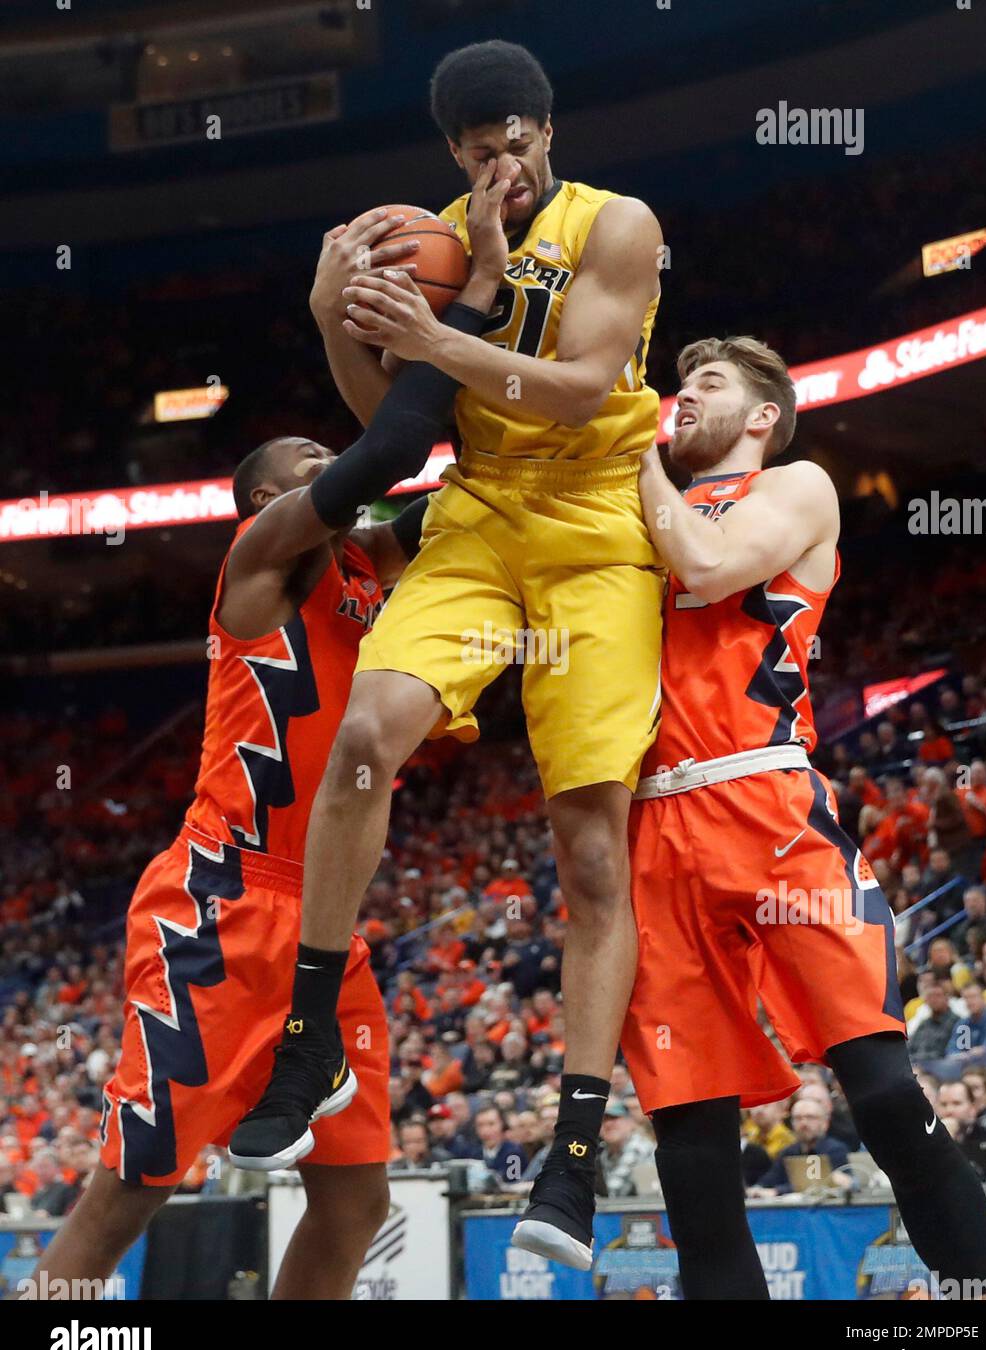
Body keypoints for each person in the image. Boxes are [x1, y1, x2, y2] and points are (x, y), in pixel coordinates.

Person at [237, 40, 668, 1269]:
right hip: (478, 518)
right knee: (366, 735)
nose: (502, 168)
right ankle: (310, 1033)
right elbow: (397, 429)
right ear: (453, 156)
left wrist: (440, 330)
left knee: (590, 845)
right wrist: (340, 316)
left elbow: (581, 388)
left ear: (547, 130)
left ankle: (573, 1157)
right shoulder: (424, 236)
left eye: (516, 145)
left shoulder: (617, 226)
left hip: (596, 533)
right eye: (478, 155)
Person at [28, 242, 500, 1298]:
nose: (325, 464)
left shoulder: (375, 585)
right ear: (263, 501)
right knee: (135, 1180)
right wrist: (455, 302)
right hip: (221, 903)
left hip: (327, 918)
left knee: (357, 1197)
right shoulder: (257, 568)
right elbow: (387, 454)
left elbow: (471, 481)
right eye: (304, 463)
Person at [619, 334, 986, 1298]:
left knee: (879, 1088)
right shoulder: (634, 509)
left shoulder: (795, 485)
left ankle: (980, 1303)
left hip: (768, 798)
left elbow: (709, 568)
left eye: (705, 383)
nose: (680, 397)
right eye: (673, 387)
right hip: (648, 824)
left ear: (760, 415)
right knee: (691, 1138)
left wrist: (623, 437)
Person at [749, 1098, 850, 1197]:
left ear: (825, 1123)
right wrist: (757, 1189)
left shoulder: (835, 1150)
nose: (804, 1123)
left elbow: (815, 1185)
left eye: (810, 1117)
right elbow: (770, 1179)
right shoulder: (788, 1152)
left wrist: (778, 1191)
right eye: (798, 1118)